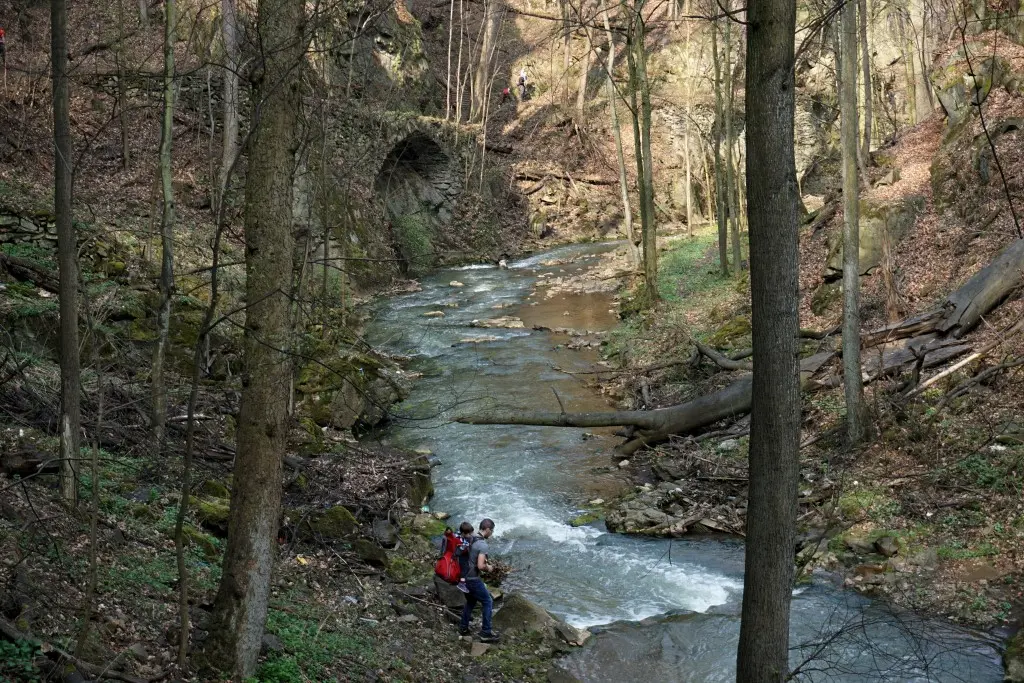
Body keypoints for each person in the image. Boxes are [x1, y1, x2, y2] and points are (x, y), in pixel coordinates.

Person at [459, 518, 499, 642]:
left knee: (471, 601)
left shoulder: (471, 537)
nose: (492, 533)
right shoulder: (482, 544)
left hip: (464, 578)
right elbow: (481, 565)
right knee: (488, 601)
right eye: (492, 531)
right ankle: (486, 632)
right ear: (487, 529)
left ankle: (463, 627)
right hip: (473, 579)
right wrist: (490, 568)